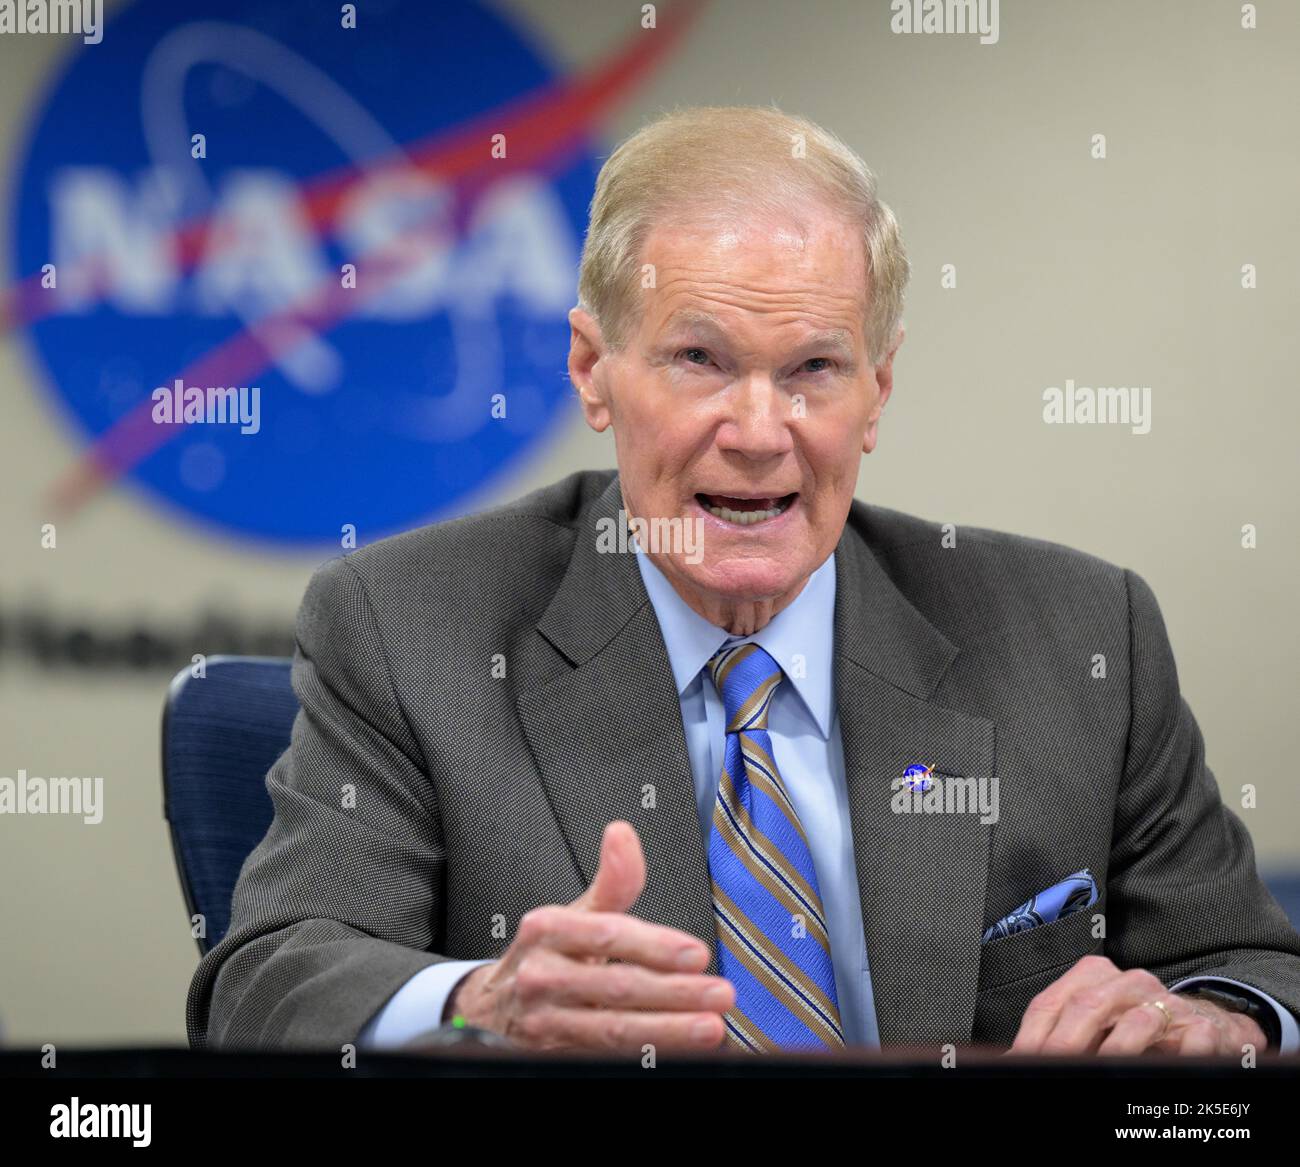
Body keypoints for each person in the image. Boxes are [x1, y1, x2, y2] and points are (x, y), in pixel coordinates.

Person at [187, 105, 1300, 1056]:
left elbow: (1249, 964)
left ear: (879, 387)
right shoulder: (409, 628)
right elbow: (272, 978)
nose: (759, 434)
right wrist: (480, 1003)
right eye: (699, 360)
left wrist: (1215, 1019)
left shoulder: (1077, 638)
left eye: (813, 368)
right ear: (593, 370)